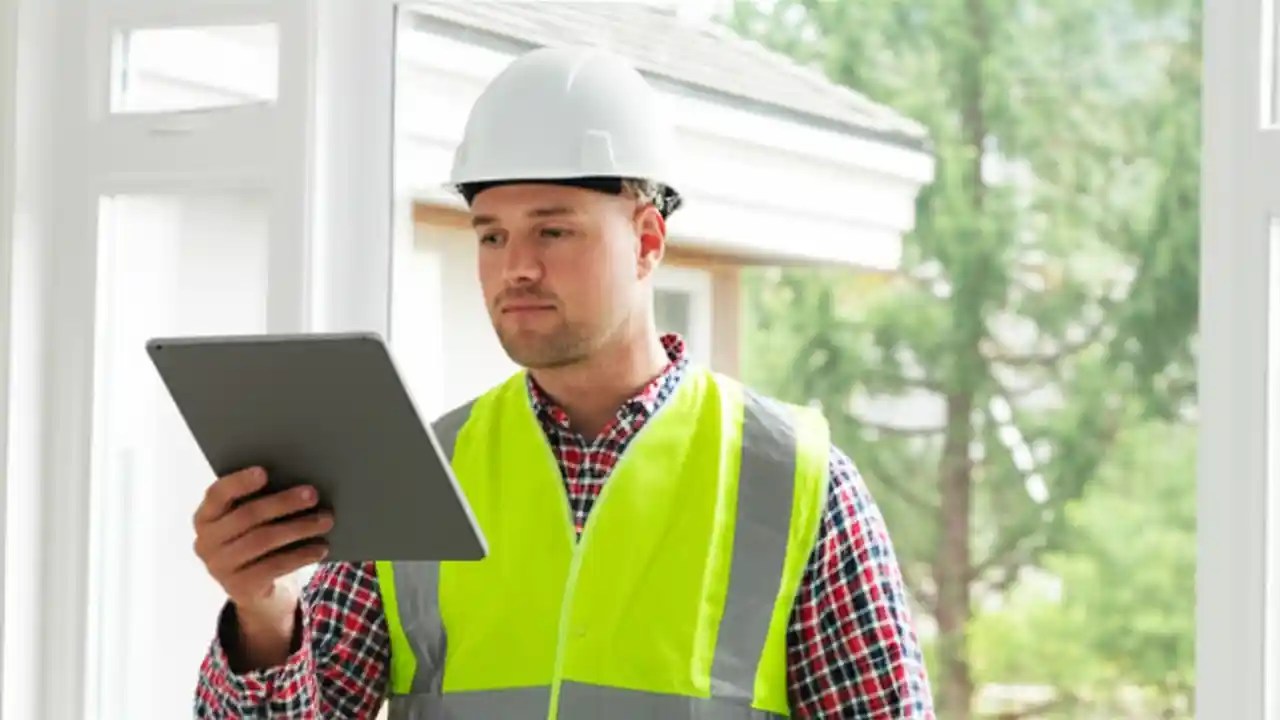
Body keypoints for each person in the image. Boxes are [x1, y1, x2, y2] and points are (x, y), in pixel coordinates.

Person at [192, 45, 935, 719]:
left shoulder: (795, 480)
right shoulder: (417, 471)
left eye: (553, 230)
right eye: (491, 235)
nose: (516, 266)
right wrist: (264, 613)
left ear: (647, 241)